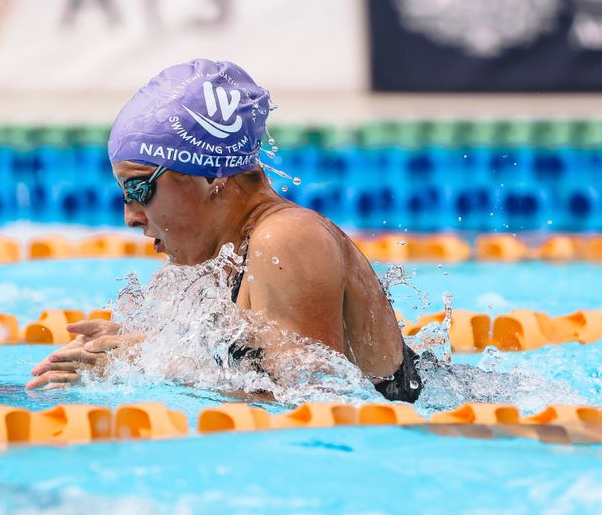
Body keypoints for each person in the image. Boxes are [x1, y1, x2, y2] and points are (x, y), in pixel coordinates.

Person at [27, 59, 422, 402]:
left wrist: (153, 365)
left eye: (139, 188)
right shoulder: (234, 253)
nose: (130, 216)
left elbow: (319, 405)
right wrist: (143, 348)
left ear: (211, 174)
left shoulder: (287, 239)